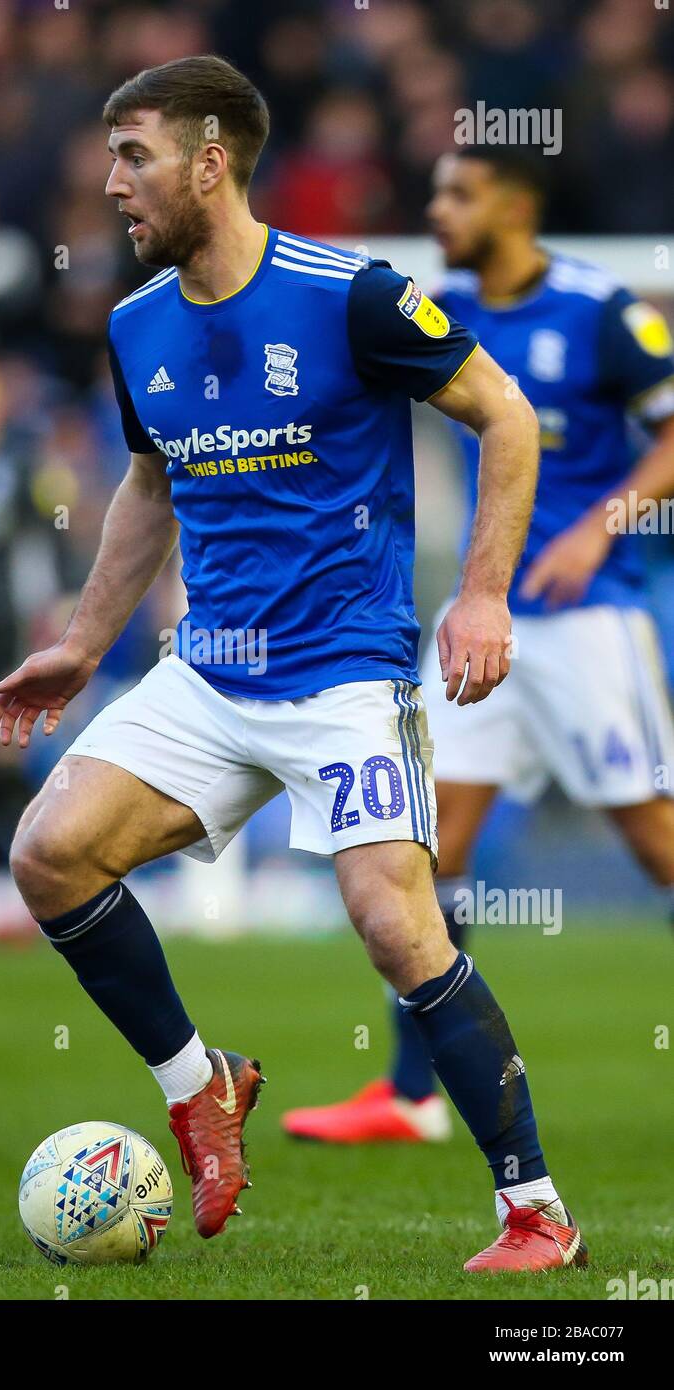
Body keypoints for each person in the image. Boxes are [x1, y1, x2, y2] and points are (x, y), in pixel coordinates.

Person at [0, 59, 579, 1272]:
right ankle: (200, 1084)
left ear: (211, 160)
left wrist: (477, 594)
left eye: (134, 156)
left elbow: (505, 415)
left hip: (346, 675)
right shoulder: (133, 323)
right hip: (207, 676)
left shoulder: (353, 296)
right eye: (108, 156)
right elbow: (151, 484)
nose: (110, 184)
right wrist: (83, 645)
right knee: (47, 854)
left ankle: (537, 1216)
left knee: (390, 921)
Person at [282, 147, 674, 1153]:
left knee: (654, 846)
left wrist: (598, 525)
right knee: (426, 851)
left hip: (588, 621)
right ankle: (412, 1094)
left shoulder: (599, 312)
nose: (437, 210)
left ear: (514, 202)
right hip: (479, 622)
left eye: (457, 193)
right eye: (433, 193)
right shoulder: (437, 313)